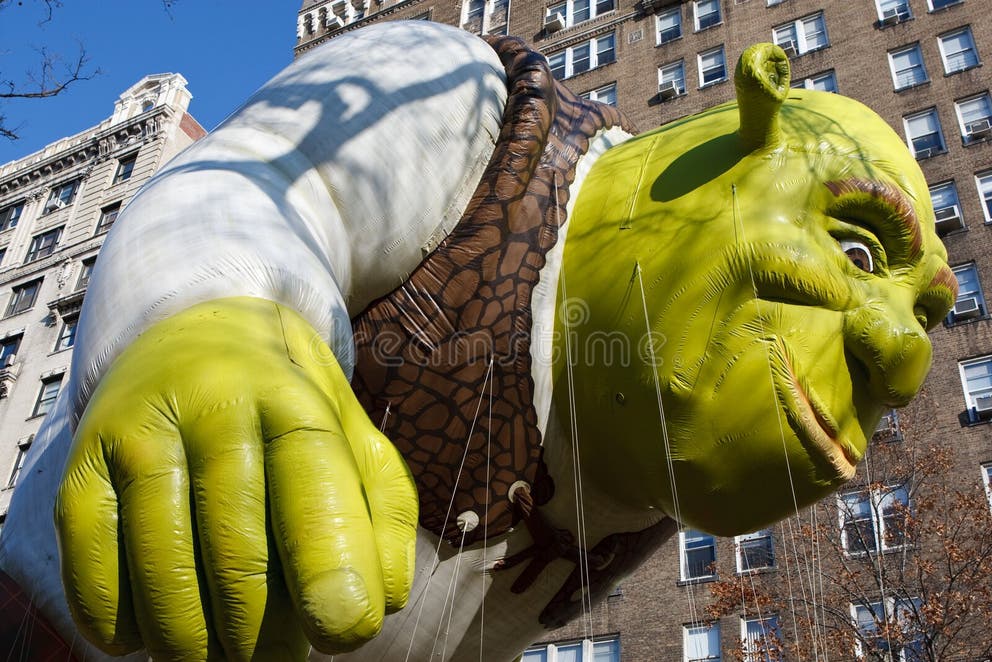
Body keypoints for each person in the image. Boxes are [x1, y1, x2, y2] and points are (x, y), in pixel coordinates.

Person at [0, 21, 954, 662]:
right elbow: (252, 189)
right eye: (858, 249)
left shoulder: (656, 472)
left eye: (928, 314)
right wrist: (214, 323)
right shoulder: (467, 101)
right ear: (751, 118)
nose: (902, 360)